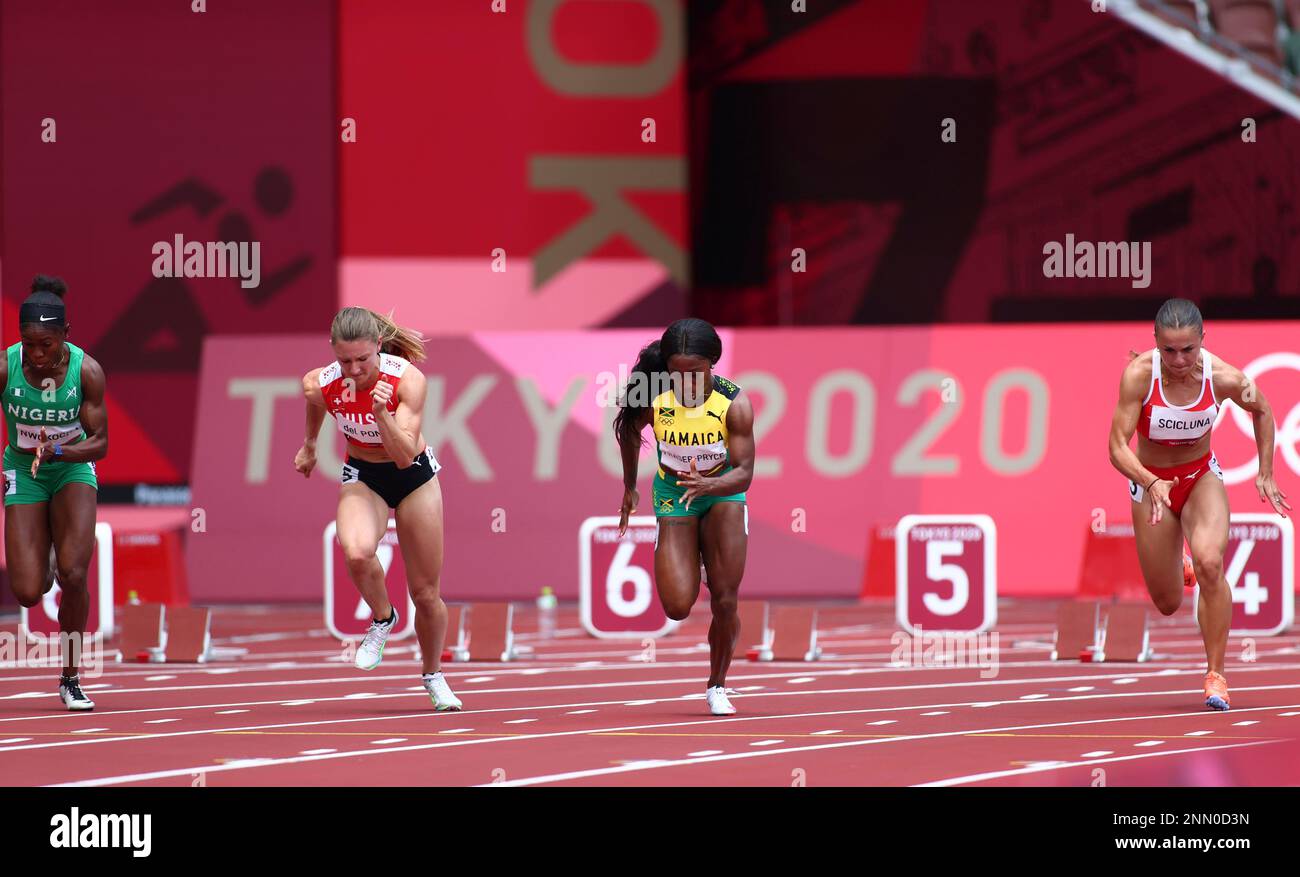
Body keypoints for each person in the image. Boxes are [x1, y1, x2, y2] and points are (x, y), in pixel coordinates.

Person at [1108, 299, 1290, 710]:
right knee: (1168, 602)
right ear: (1155, 344)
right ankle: (1180, 567)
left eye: (1188, 349)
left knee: (1212, 563)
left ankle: (1216, 675)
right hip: (1150, 482)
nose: (1178, 360)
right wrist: (1149, 480)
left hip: (1199, 477)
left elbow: (1262, 409)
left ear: (1202, 342)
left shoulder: (1224, 377)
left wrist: (1266, 470)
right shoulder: (1139, 377)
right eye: (1169, 350)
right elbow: (1116, 447)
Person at [296, 307, 461, 711]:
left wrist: (381, 414)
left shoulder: (407, 380)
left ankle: (433, 675)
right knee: (354, 551)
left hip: (413, 477)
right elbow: (318, 402)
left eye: (362, 360)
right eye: (344, 360)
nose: (353, 370)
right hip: (363, 473)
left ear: (379, 349)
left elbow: (405, 456)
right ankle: (383, 618)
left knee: (425, 593)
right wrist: (311, 444)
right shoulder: (320, 382)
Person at [613, 318, 755, 715]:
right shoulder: (655, 395)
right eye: (677, 373)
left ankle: (717, 685)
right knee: (677, 606)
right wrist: (629, 486)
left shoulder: (734, 403)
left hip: (722, 493)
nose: (686, 382)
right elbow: (627, 432)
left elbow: (744, 470)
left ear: (712, 363)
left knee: (725, 600)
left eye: (695, 373)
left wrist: (710, 486)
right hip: (675, 495)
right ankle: (693, 554)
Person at [2, 275, 108, 711]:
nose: (38, 355)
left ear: (66, 335)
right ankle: (44, 549)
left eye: (46, 344)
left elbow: (100, 442)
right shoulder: (7, 366)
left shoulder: (87, 371)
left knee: (75, 574)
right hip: (22, 470)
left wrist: (61, 449)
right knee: (28, 590)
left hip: (71, 468)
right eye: (29, 344)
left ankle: (70, 676)